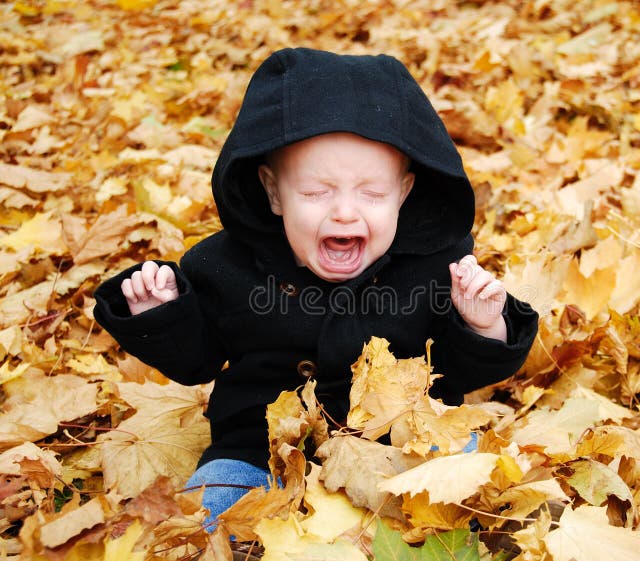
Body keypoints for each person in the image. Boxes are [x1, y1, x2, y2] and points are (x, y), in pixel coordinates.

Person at [93, 47, 538, 523]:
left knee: (471, 481)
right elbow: (196, 360)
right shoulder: (224, 264)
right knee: (207, 517)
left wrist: (482, 325)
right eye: (315, 192)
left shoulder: (435, 265)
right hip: (256, 448)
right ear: (273, 192)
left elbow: (460, 371)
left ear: (404, 193)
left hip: (405, 444)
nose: (345, 211)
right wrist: (161, 315)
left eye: (371, 193)